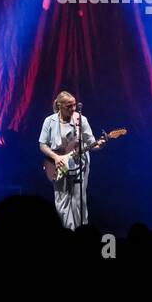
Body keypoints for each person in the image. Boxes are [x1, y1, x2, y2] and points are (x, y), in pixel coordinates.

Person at [38, 91, 105, 230]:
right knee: (62, 201)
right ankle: (66, 231)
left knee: (78, 201)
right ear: (59, 105)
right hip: (59, 165)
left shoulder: (81, 120)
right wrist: (56, 158)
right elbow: (42, 145)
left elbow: (92, 144)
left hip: (79, 165)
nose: (73, 109)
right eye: (69, 106)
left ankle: (82, 233)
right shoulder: (49, 121)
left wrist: (100, 144)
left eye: (74, 105)